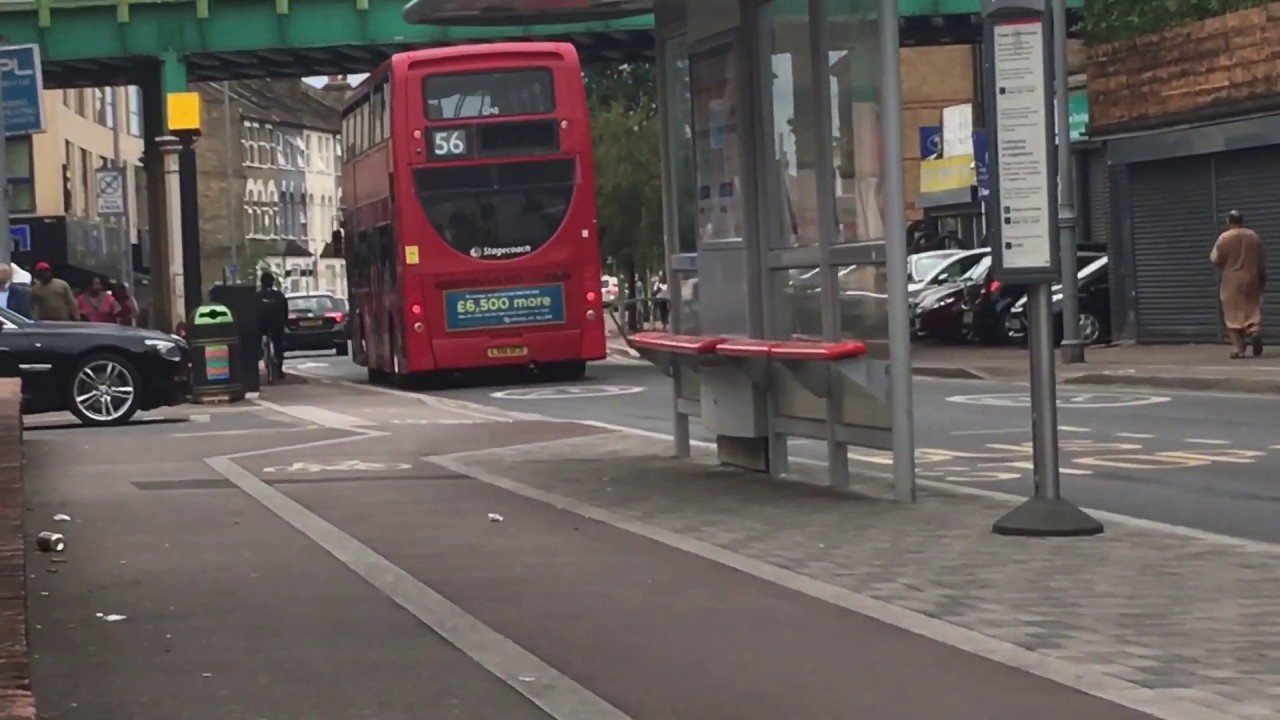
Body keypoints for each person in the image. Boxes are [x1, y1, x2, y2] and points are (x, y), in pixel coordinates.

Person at [1210, 210, 1267, 359]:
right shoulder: (1253, 236)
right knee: (1252, 308)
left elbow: (1215, 259)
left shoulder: (1224, 238)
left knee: (1232, 313)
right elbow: (1261, 259)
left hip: (1232, 279)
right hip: (1252, 277)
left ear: (1228, 222)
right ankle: (1254, 330)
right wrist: (1262, 278)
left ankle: (1239, 349)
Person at [257, 271, 289, 377]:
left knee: (256, 341)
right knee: (278, 344)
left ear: (262, 283)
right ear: (273, 283)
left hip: (262, 324)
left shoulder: (257, 296)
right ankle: (279, 370)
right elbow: (285, 311)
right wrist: (285, 322)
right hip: (277, 324)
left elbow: (252, 311)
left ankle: (257, 358)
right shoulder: (279, 295)